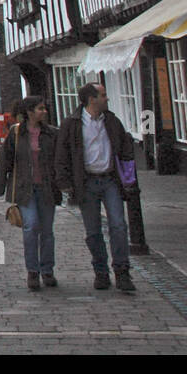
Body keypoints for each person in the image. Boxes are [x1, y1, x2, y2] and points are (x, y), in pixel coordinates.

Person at [54, 82, 137, 293]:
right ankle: (100, 272)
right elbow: (62, 154)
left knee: (118, 225)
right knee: (93, 231)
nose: (106, 98)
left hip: (110, 180)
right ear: (92, 99)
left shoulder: (111, 121)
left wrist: (128, 176)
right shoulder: (72, 124)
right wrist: (65, 183)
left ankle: (122, 270)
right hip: (86, 182)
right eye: (103, 95)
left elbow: (125, 148)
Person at [0, 95, 61, 290]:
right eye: (40, 109)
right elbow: (5, 161)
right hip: (25, 189)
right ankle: (33, 271)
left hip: (47, 188)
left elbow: (58, 161)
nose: (44, 112)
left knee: (47, 232)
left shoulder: (51, 134)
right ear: (30, 112)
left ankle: (47, 270)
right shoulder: (16, 134)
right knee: (31, 227)